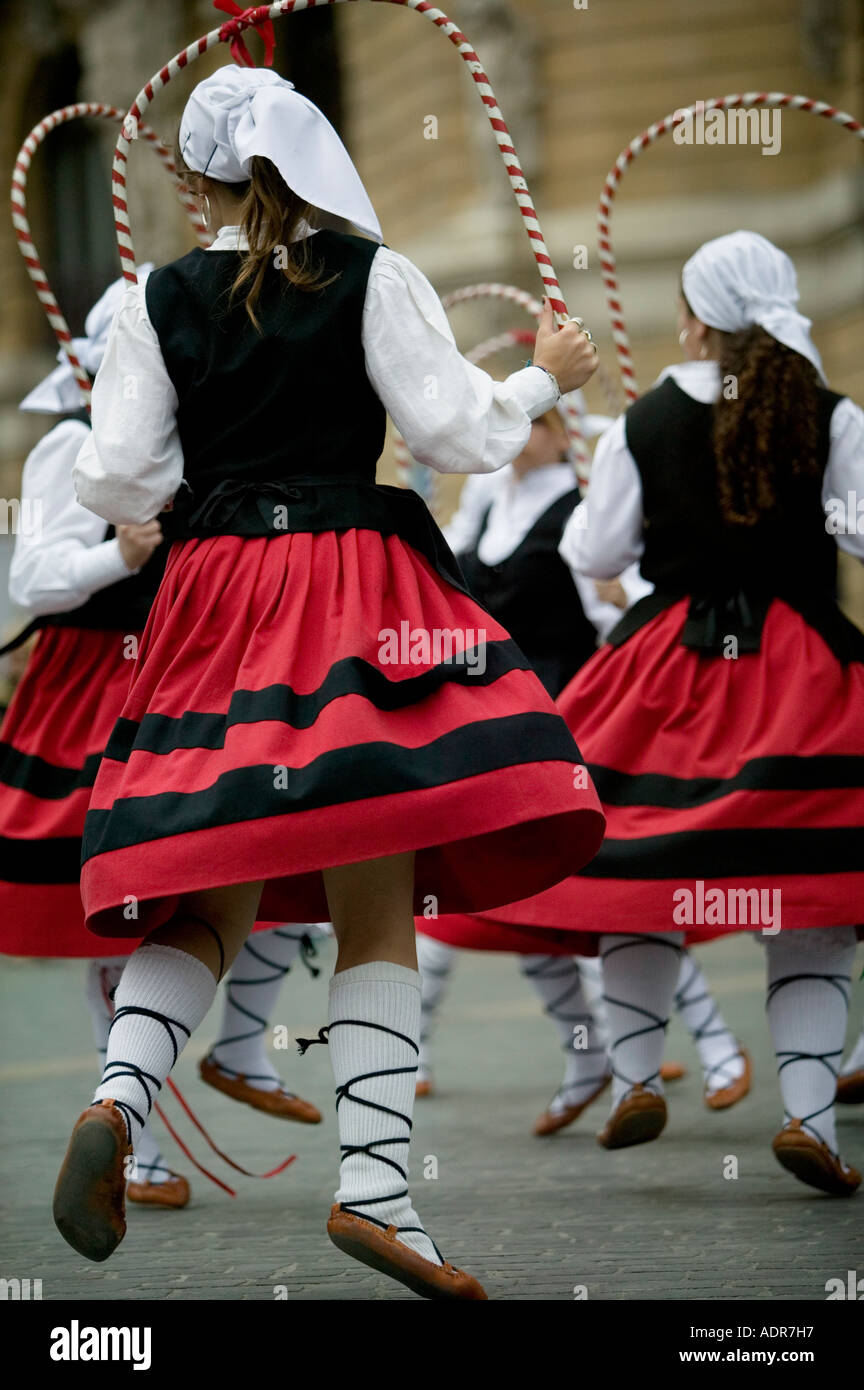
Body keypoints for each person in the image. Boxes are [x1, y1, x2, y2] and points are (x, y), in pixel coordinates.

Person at [53, 65, 602, 1300]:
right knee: (377, 881)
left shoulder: (152, 301)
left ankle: (118, 1102)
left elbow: (121, 482)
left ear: (197, 180)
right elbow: (456, 434)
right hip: (357, 590)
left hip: (216, 597)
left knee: (215, 883)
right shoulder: (375, 274)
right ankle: (377, 1193)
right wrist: (546, 377)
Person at [423, 231, 864, 1195]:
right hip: (801, 669)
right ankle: (809, 1116)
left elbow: (595, 553)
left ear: (694, 318)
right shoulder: (831, 415)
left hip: (667, 670)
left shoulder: (641, 424)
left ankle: (631, 1076)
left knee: (634, 866)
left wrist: (612, 477)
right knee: (810, 896)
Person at [1, 275, 322, 1210]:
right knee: (117, 907)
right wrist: (120, 555)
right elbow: (35, 579)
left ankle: (235, 1052)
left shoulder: (188, 440)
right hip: (95, 683)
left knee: (287, 853)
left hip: (186, 672)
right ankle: (131, 1140)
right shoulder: (70, 441)